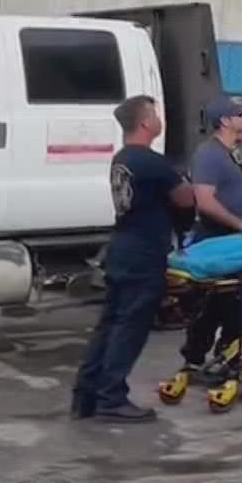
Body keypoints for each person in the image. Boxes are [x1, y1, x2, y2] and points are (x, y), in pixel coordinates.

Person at [72, 95, 195, 422]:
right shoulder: (152, 162)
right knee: (130, 327)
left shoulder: (122, 158)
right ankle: (111, 397)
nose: (160, 120)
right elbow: (185, 198)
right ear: (145, 123)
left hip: (122, 247)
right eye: (155, 115)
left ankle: (86, 394)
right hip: (144, 253)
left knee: (110, 324)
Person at [181, 97, 242, 374]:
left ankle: (228, 354)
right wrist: (239, 224)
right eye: (241, 114)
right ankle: (194, 356)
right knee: (212, 301)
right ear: (225, 121)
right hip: (217, 238)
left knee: (240, 302)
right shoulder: (208, 155)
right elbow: (204, 200)